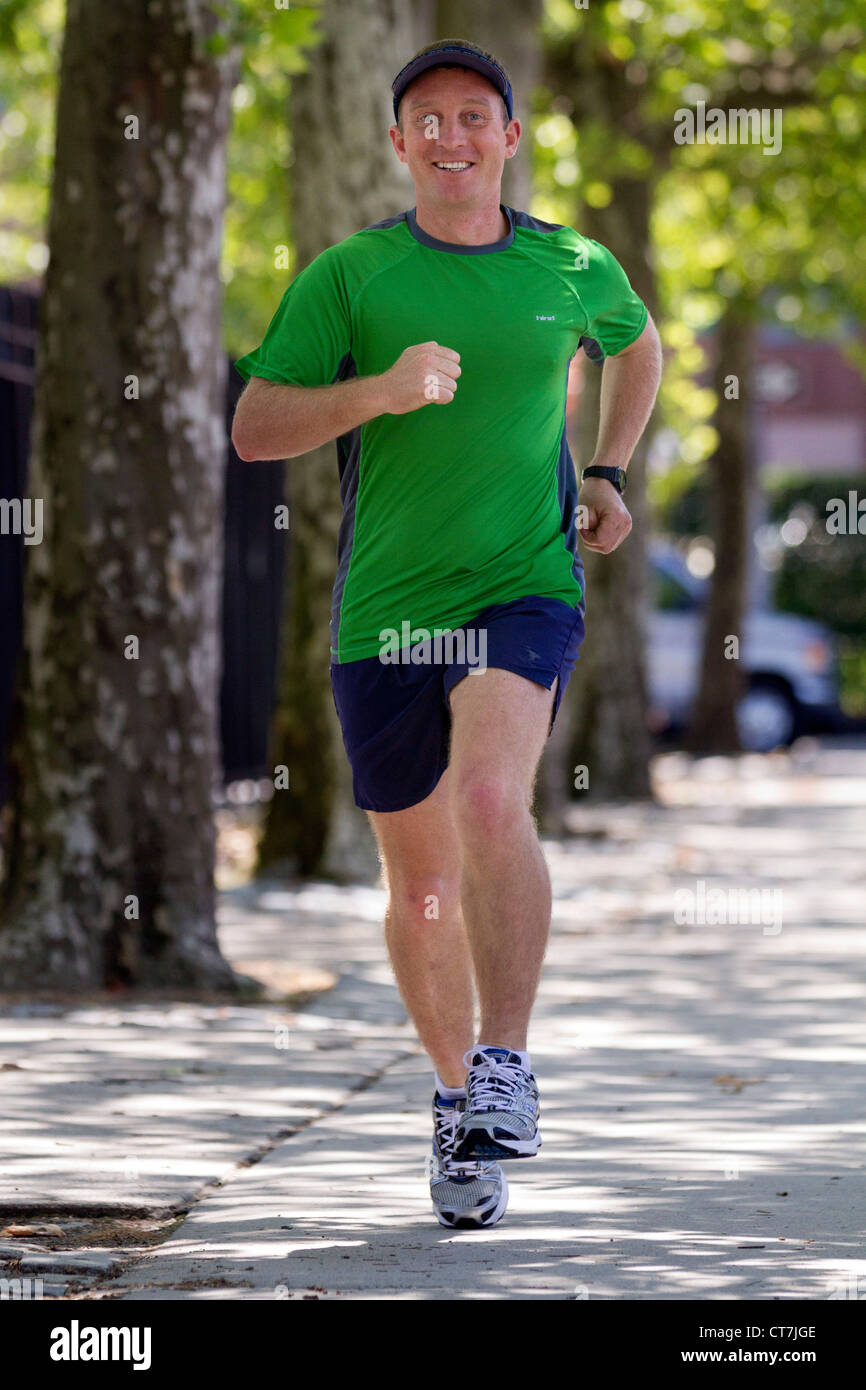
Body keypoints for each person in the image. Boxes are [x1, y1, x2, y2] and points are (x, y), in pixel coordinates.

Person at [232, 38, 662, 1230]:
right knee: (419, 883)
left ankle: (506, 1064)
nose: (452, 137)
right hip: (383, 613)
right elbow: (257, 425)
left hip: (523, 585)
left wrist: (609, 469)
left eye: (475, 116)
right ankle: (451, 1096)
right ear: (397, 143)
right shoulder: (351, 277)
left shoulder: (570, 262)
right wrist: (375, 390)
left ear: (509, 138)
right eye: (428, 120)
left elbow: (638, 343)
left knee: (488, 803)